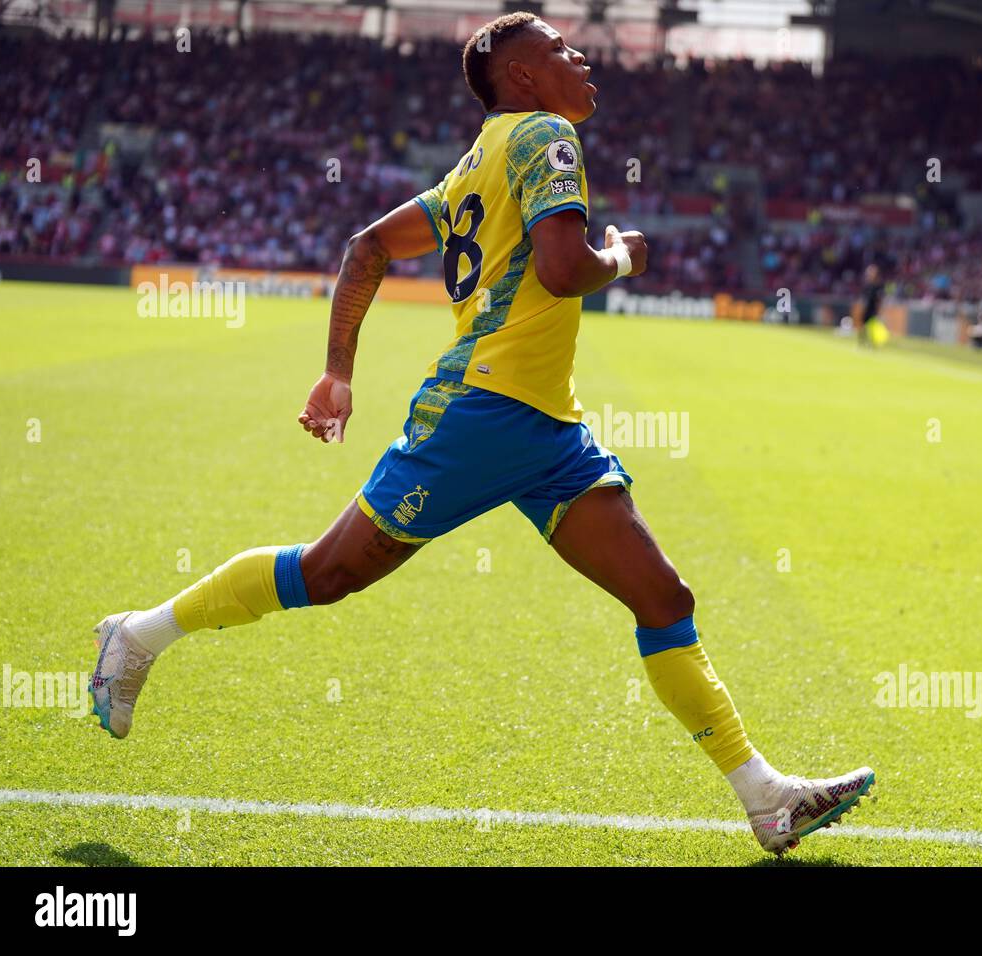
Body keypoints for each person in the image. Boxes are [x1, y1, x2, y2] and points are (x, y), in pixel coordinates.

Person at [88, 12, 873, 855]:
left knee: (663, 597)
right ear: (524, 76)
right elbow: (564, 269)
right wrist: (625, 258)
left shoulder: (477, 164)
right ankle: (136, 635)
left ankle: (765, 798)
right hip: (486, 408)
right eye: (561, 49)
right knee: (329, 573)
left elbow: (366, 248)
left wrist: (340, 371)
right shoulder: (544, 137)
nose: (581, 57)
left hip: (545, 426)